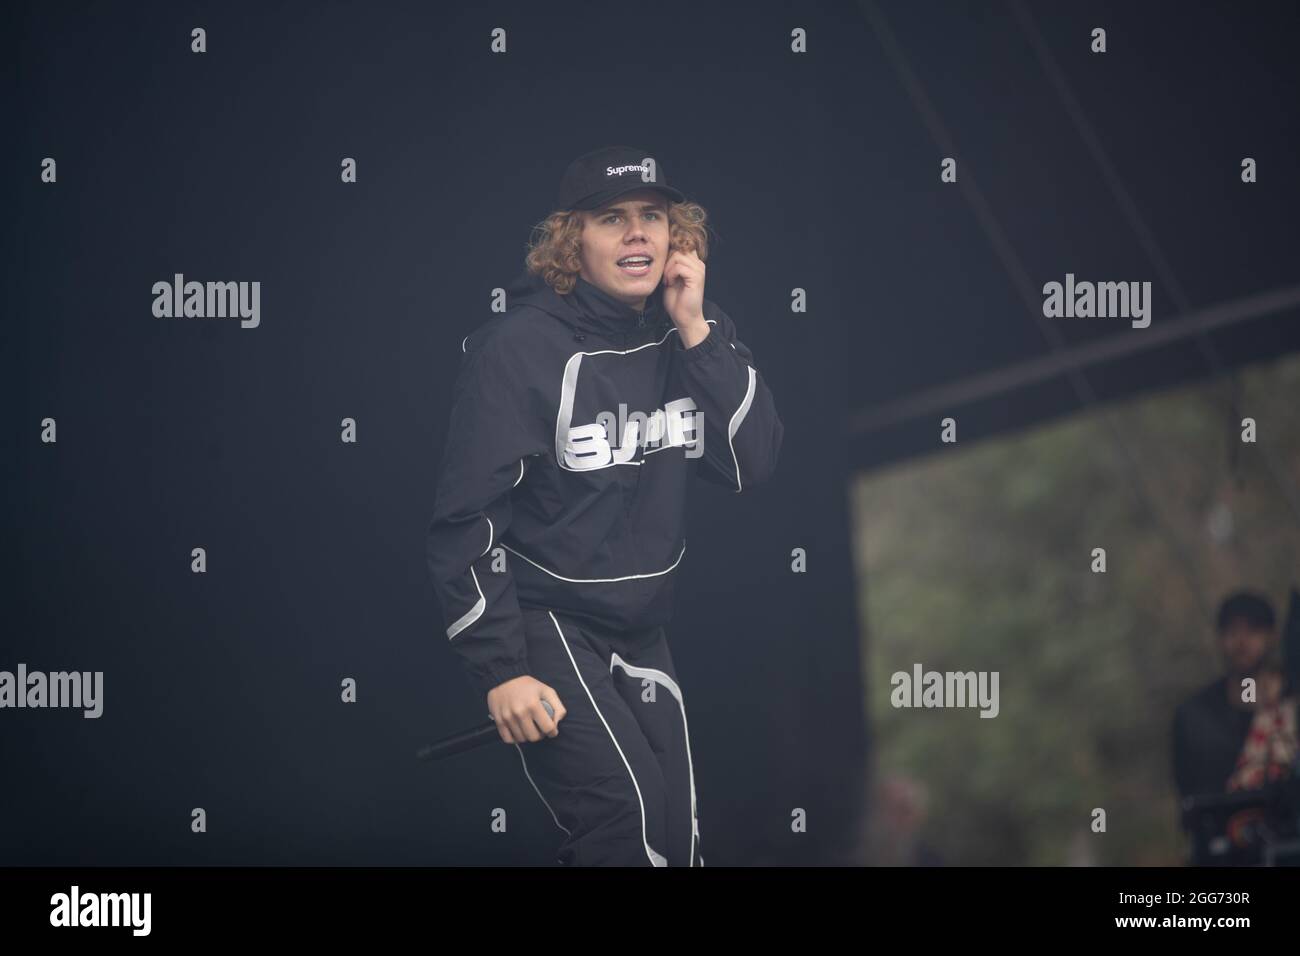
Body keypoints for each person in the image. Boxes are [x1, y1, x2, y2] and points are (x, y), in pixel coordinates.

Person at [425, 146, 784, 866]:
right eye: (612, 218)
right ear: (570, 242)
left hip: (644, 631)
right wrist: (501, 670)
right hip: (548, 626)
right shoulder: (516, 349)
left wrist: (696, 329)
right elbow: (469, 520)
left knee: (677, 842)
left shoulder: (694, 331)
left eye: (653, 216)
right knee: (627, 823)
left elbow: (753, 462)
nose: (637, 234)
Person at [1171, 590, 1286, 802]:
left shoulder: (1289, 708)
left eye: (1253, 630)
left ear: (1272, 636)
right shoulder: (1194, 717)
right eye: (1232, 631)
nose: (1242, 642)